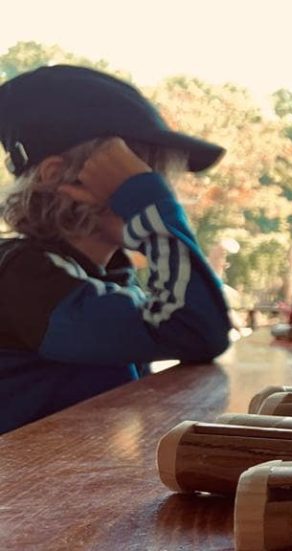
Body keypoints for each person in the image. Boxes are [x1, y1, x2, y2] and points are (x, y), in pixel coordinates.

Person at [0, 65, 232, 433]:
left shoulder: (109, 274)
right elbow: (196, 329)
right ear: (56, 175)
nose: (160, 191)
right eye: (135, 174)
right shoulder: (22, 277)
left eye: (156, 180)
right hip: (27, 488)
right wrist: (146, 202)